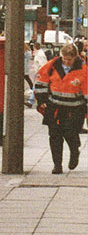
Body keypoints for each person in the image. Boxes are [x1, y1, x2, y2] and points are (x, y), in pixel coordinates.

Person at [34, 42, 88, 174]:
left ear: (75, 58)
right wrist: (42, 100)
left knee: (70, 133)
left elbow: (86, 89)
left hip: (75, 108)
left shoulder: (83, 69)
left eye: (69, 60)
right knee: (54, 136)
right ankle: (57, 165)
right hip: (55, 107)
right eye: (64, 59)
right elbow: (41, 81)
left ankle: (74, 151)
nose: (66, 62)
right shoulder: (52, 65)